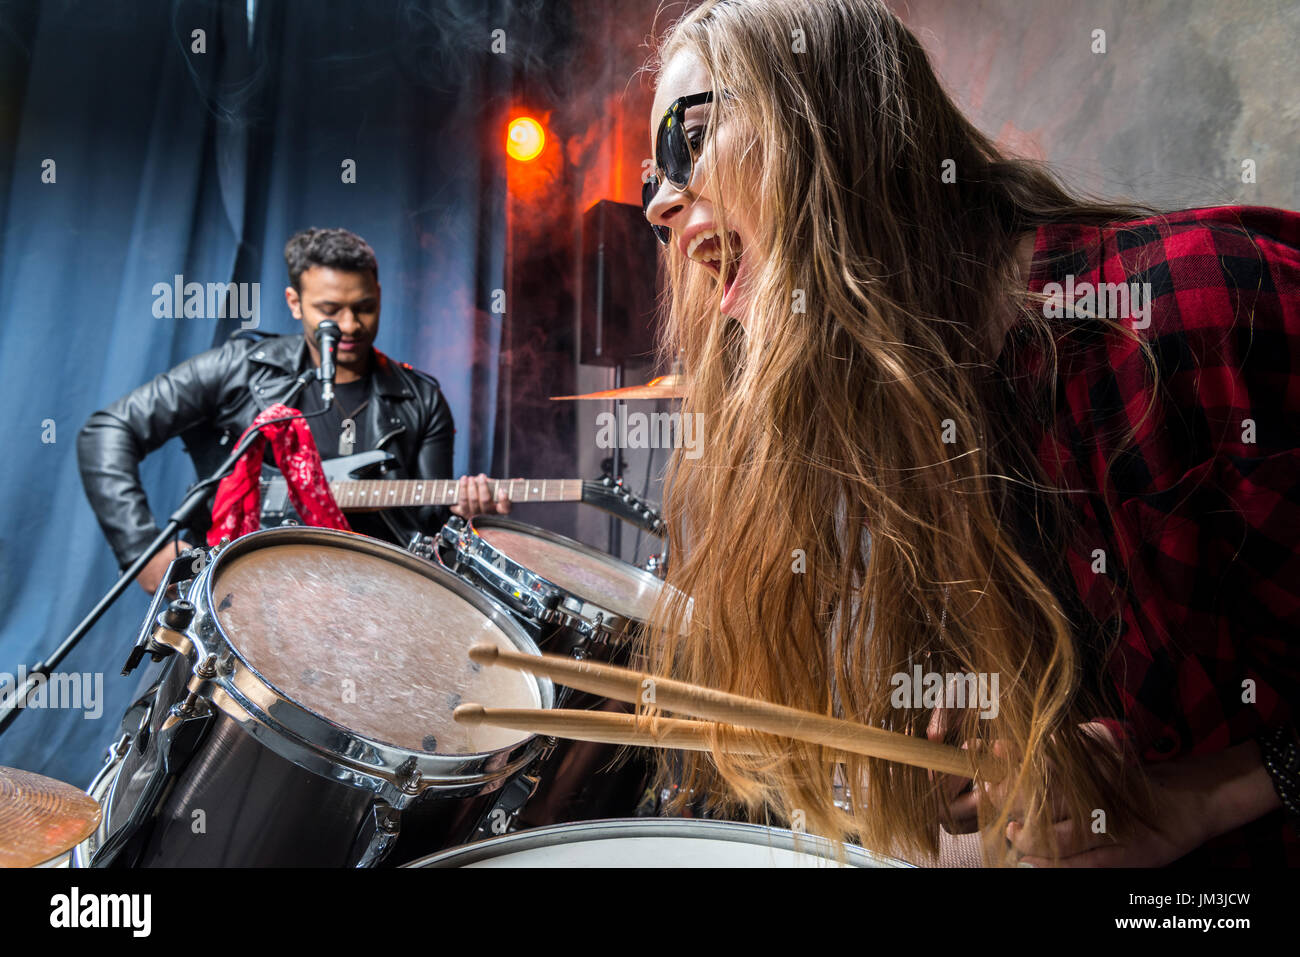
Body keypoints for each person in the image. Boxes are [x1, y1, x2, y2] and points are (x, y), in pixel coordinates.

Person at [639, 0, 1299, 866]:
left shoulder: (1201, 308)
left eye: (686, 141)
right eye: (652, 177)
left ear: (838, 129)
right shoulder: (923, 429)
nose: (660, 204)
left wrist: (1207, 795)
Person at [77, 227, 510, 594]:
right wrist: (142, 549)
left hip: (370, 608)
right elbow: (107, 431)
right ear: (294, 302)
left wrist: (465, 517)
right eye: (329, 310)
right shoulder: (239, 369)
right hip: (238, 597)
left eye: (364, 307)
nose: (350, 325)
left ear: (379, 295)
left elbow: (428, 535)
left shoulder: (421, 399)